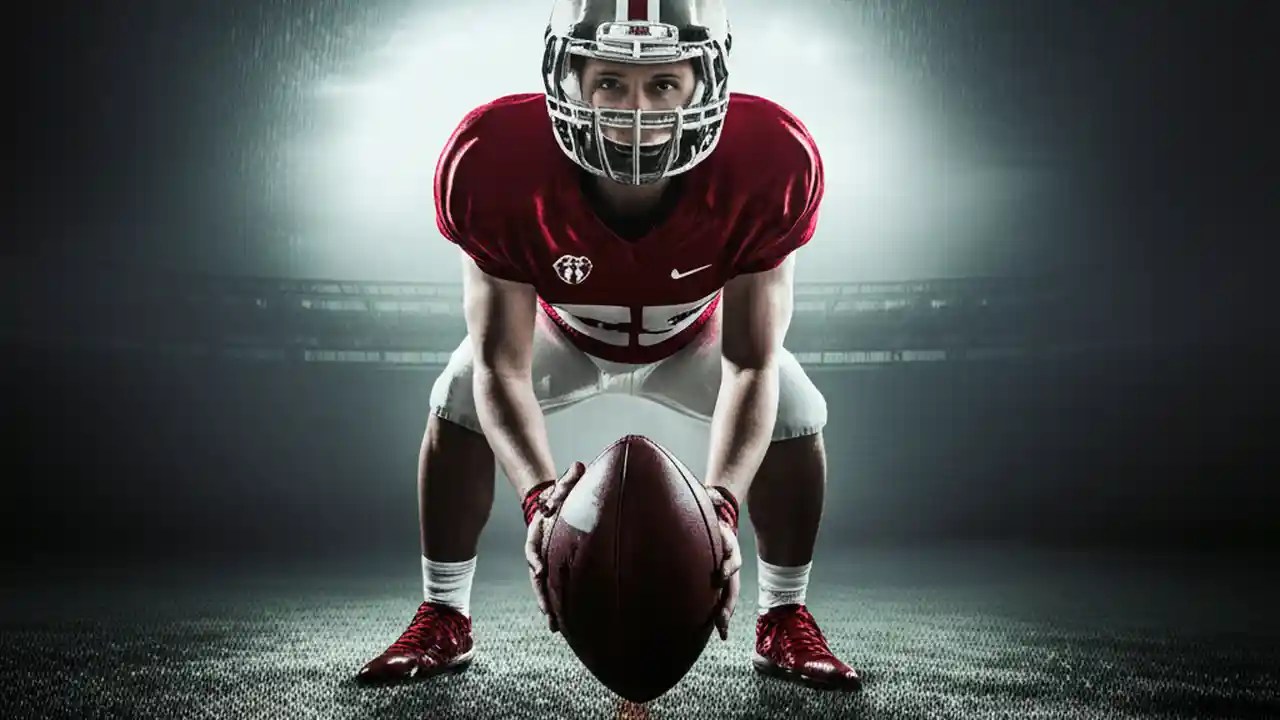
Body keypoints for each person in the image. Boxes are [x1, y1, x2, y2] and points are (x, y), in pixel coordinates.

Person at [357, 0, 861, 692]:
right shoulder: (494, 162)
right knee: (455, 395)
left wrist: (721, 507)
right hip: (561, 335)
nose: (635, 112)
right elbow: (503, 366)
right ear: (566, 79)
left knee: (798, 409)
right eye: (610, 83)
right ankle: (444, 613)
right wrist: (538, 502)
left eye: (662, 84)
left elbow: (749, 362)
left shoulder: (768, 161)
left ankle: (783, 617)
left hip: (695, 336)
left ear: (704, 81)